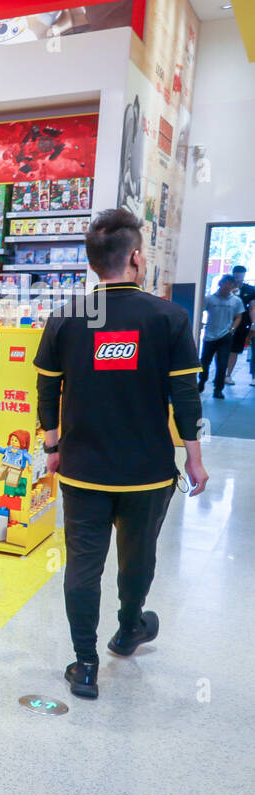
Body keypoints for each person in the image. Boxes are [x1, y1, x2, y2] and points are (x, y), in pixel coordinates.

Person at [34, 208, 207, 701]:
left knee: (82, 566)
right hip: (148, 472)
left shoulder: (66, 317)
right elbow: (186, 397)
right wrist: (193, 458)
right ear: (136, 257)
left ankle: (84, 664)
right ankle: (129, 629)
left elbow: (48, 390)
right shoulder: (168, 317)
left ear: (93, 263)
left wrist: (52, 445)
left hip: (83, 469)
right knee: (139, 557)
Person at [198, 274, 241, 399]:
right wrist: (200, 323)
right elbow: (200, 310)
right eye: (225, 283)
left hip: (225, 336)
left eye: (230, 284)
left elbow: (239, 316)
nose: (227, 286)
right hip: (210, 335)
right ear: (220, 284)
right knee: (205, 362)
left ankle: (218, 389)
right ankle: (202, 381)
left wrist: (232, 328)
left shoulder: (236, 301)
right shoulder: (210, 299)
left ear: (233, 286)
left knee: (222, 364)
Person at [227, 264, 255, 385]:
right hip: (225, 323)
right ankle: (220, 373)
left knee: (234, 350)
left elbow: (252, 308)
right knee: (221, 349)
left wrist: (253, 323)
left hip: (242, 325)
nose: (239, 279)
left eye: (241, 277)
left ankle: (228, 375)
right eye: (237, 277)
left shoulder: (250, 290)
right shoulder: (226, 287)